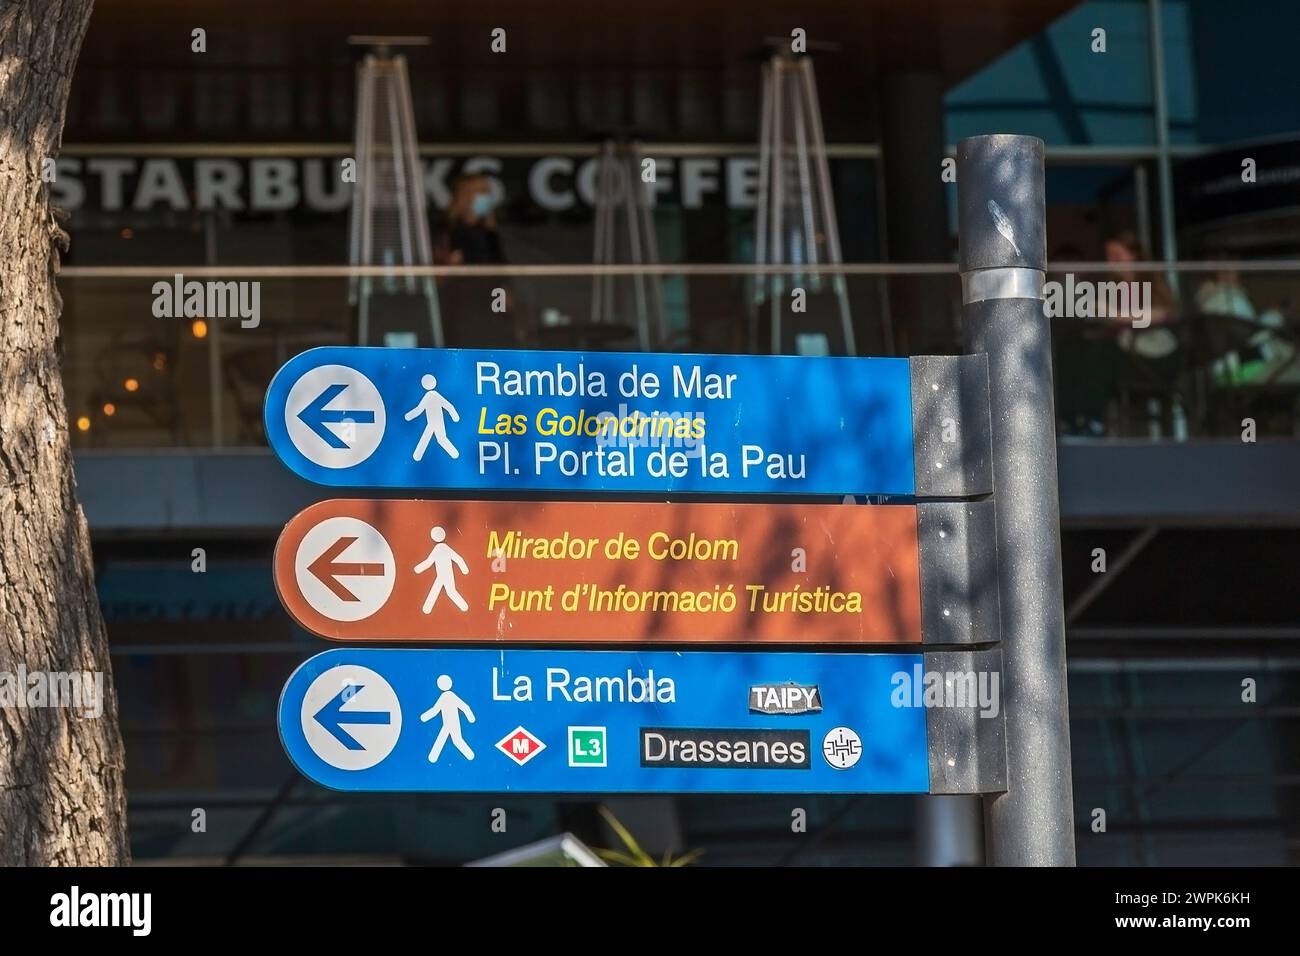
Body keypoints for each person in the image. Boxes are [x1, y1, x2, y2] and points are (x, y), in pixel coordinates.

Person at [434, 173, 529, 347]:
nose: (486, 197)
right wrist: (451, 264)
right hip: (464, 305)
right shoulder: (450, 230)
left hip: (493, 302)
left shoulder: (488, 231)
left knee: (498, 340)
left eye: (487, 192)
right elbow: (440, 272)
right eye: (481, 191)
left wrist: (505, 300)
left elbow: (500, 270)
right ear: (466, 195)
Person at [420, 674, 475, 763]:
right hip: (447, 723)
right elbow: (435, 710)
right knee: (446, 739)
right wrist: (424, 717)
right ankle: (433, 757)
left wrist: (471, 718)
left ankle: (470, 756)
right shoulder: (447, 696)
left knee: (456, 740)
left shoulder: (448, 696)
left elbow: (464, 707)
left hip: (453, 723)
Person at [414, 526, 469, 613]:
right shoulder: (442, 548)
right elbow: (458, 559)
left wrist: (418, 569)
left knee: (448, 591)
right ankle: (427, 608)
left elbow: (429, 562)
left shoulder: (439, 548)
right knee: (441, 590)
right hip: (443, 575)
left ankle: (464, 606)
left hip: (445, 574)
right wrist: (464, 569)